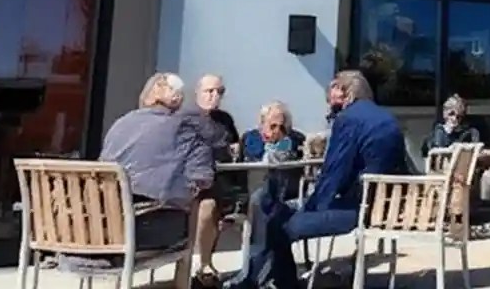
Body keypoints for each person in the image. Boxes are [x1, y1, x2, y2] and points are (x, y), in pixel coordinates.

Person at [227, 71, 405, 289]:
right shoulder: (388, 119)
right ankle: (271, 282)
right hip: (386, 208)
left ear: (345, 93)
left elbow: (334, 173)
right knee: (276, 211)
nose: (331, 106)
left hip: (358, 209)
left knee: (277, 223)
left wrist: (311, 208)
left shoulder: (349, 119)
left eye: (332, 99)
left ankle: (273, 283)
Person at [98, 73, 212, 252]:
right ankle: (196, 268)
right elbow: (201, 179)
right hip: (142, 230)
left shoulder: (119, 124)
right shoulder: (185, 131)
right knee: (198, 205)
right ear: (178, 99)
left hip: (100, 227)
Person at [180, 75, 242, 287]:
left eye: (219, 91)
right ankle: (202, 265)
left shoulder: (225, 120)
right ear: (197, 92)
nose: (214, 96)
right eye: (209, 91)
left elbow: (234, 146)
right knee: (207, 206)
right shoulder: (185, 118)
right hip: (192, 182)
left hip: (222, 180)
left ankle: (205, 266)